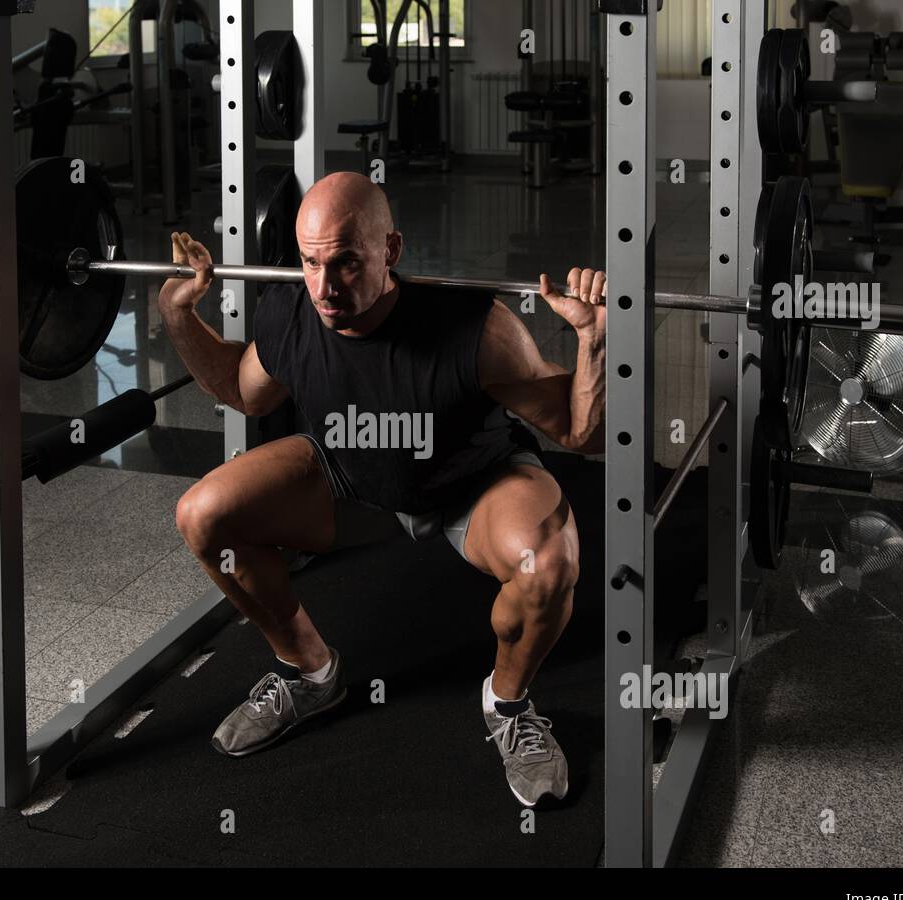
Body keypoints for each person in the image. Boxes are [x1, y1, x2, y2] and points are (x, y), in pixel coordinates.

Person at [160, 172, 606, 807]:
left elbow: (579, 430)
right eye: (310, 263)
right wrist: (179, 314)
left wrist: (593, 340)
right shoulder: (293, 311)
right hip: (351, 481)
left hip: (471, 487)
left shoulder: (477, 328)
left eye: (345, 263)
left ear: (391, 250)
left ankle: (508, 706)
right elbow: (240, 386)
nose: (324, 288)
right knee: (202, 512)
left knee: (547, 565)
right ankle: (312, 675)